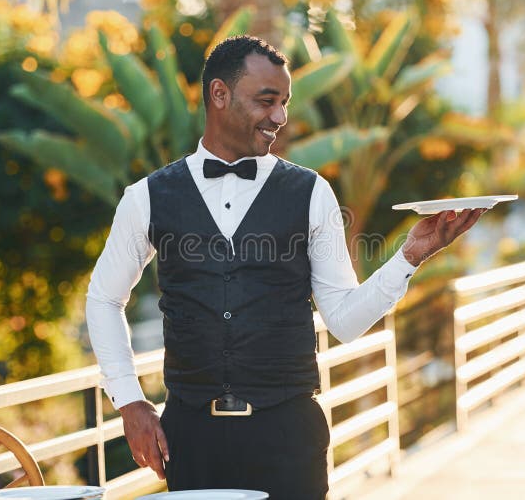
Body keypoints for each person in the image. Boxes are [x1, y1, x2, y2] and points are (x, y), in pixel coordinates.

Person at [85, 35, 484, 499]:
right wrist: (130, 402)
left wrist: (411, 256)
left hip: (288, 437)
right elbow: (104, 298)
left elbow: (343, 320)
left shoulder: (311, 193)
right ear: (219, 94)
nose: (280, 117)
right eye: (267, 100)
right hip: (191, 440)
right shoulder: (147, 197)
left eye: (285, 103)